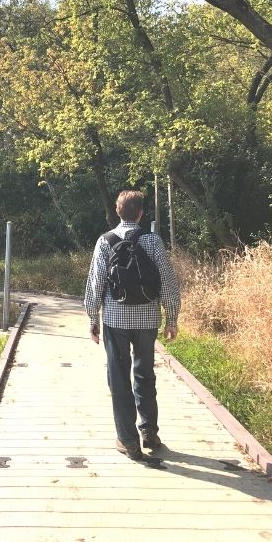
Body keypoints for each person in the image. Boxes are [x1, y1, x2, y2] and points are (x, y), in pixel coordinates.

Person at [84, 189, 180, 464]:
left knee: (118, 377)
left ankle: (127, 440)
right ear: (140, 213)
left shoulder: (105, 241)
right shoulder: (153, 241)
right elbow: (168, 282)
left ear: (117, 211)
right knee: (144, 373)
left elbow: (95, 283)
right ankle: (149, 431)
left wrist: (92, 318)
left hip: (115, 320)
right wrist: (171, 318)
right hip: (148, 319)